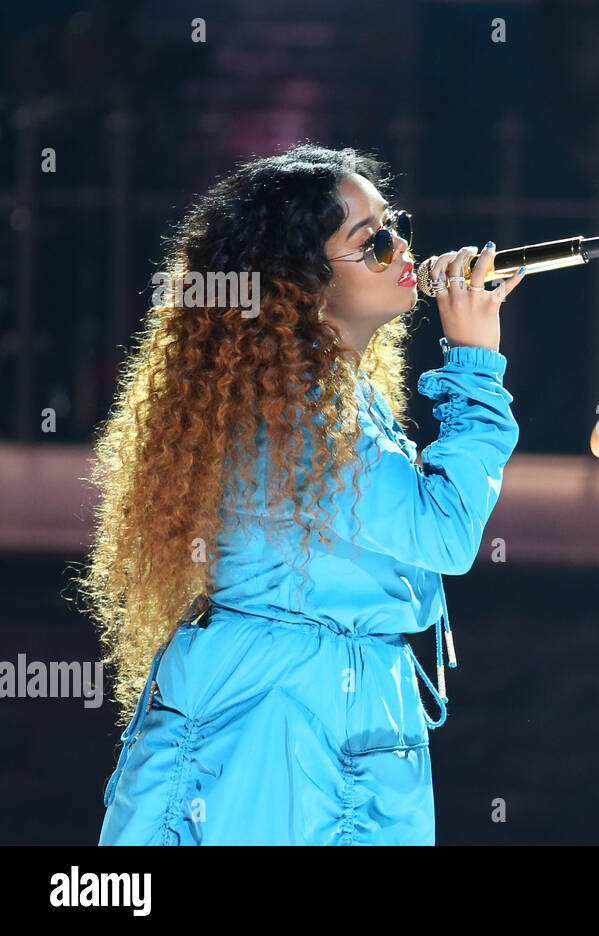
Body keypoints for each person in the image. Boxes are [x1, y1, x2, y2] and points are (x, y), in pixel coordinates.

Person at [82, 143, 527, 844]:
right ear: (302, 283)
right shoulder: (297, 412)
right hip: (277, 718)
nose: (402, 246)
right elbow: (444, 532)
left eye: (396, 224)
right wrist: (474, 361)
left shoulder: (332, 399)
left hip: (329, 706)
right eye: (372, 241)